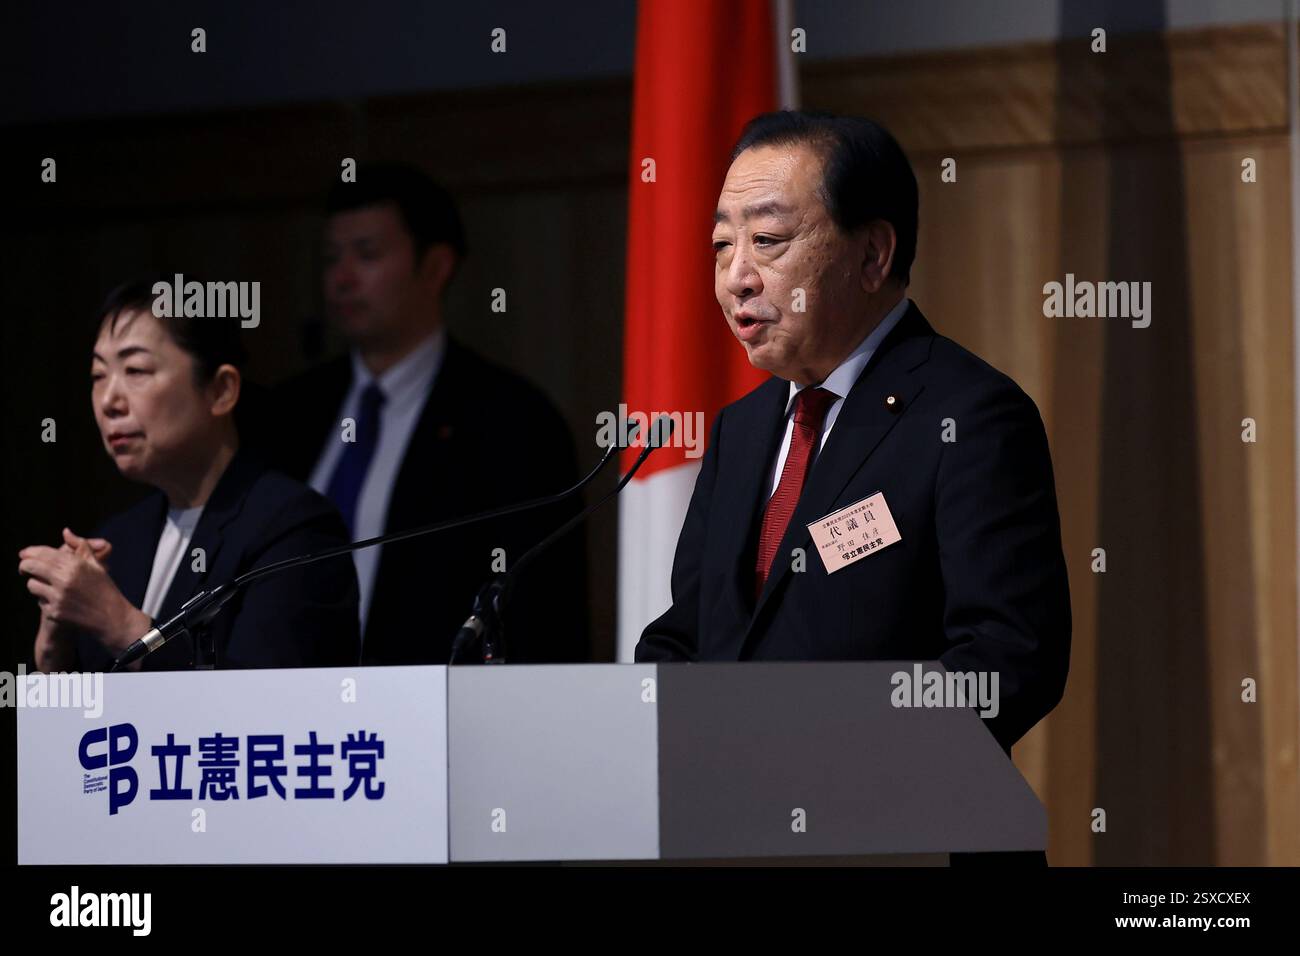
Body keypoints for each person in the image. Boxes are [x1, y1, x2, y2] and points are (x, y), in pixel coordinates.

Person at [636, 111, 1071, 768]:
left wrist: (824, 755)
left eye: (769, 239)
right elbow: (689, 637)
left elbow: (1008, 658)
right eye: (723, 245)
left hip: (903, 835)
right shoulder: (741, 430)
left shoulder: (970, 417)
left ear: (873, 255)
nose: (736, 278)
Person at [261, 164, 588, 664]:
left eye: (367, 255)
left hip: (439, 715)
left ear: (435, 267)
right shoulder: (286, 413)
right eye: (331, 258)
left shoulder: (511, 420)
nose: (342, 279)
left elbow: (543, 613)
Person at [20, 278, 361, 672]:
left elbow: (274, 707)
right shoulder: (118, 540)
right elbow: (68, 727)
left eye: (135, 369)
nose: (109, 401)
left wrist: (116, 622)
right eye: (98, 376)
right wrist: (53, 645)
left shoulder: (294, 528)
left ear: (221, 390)